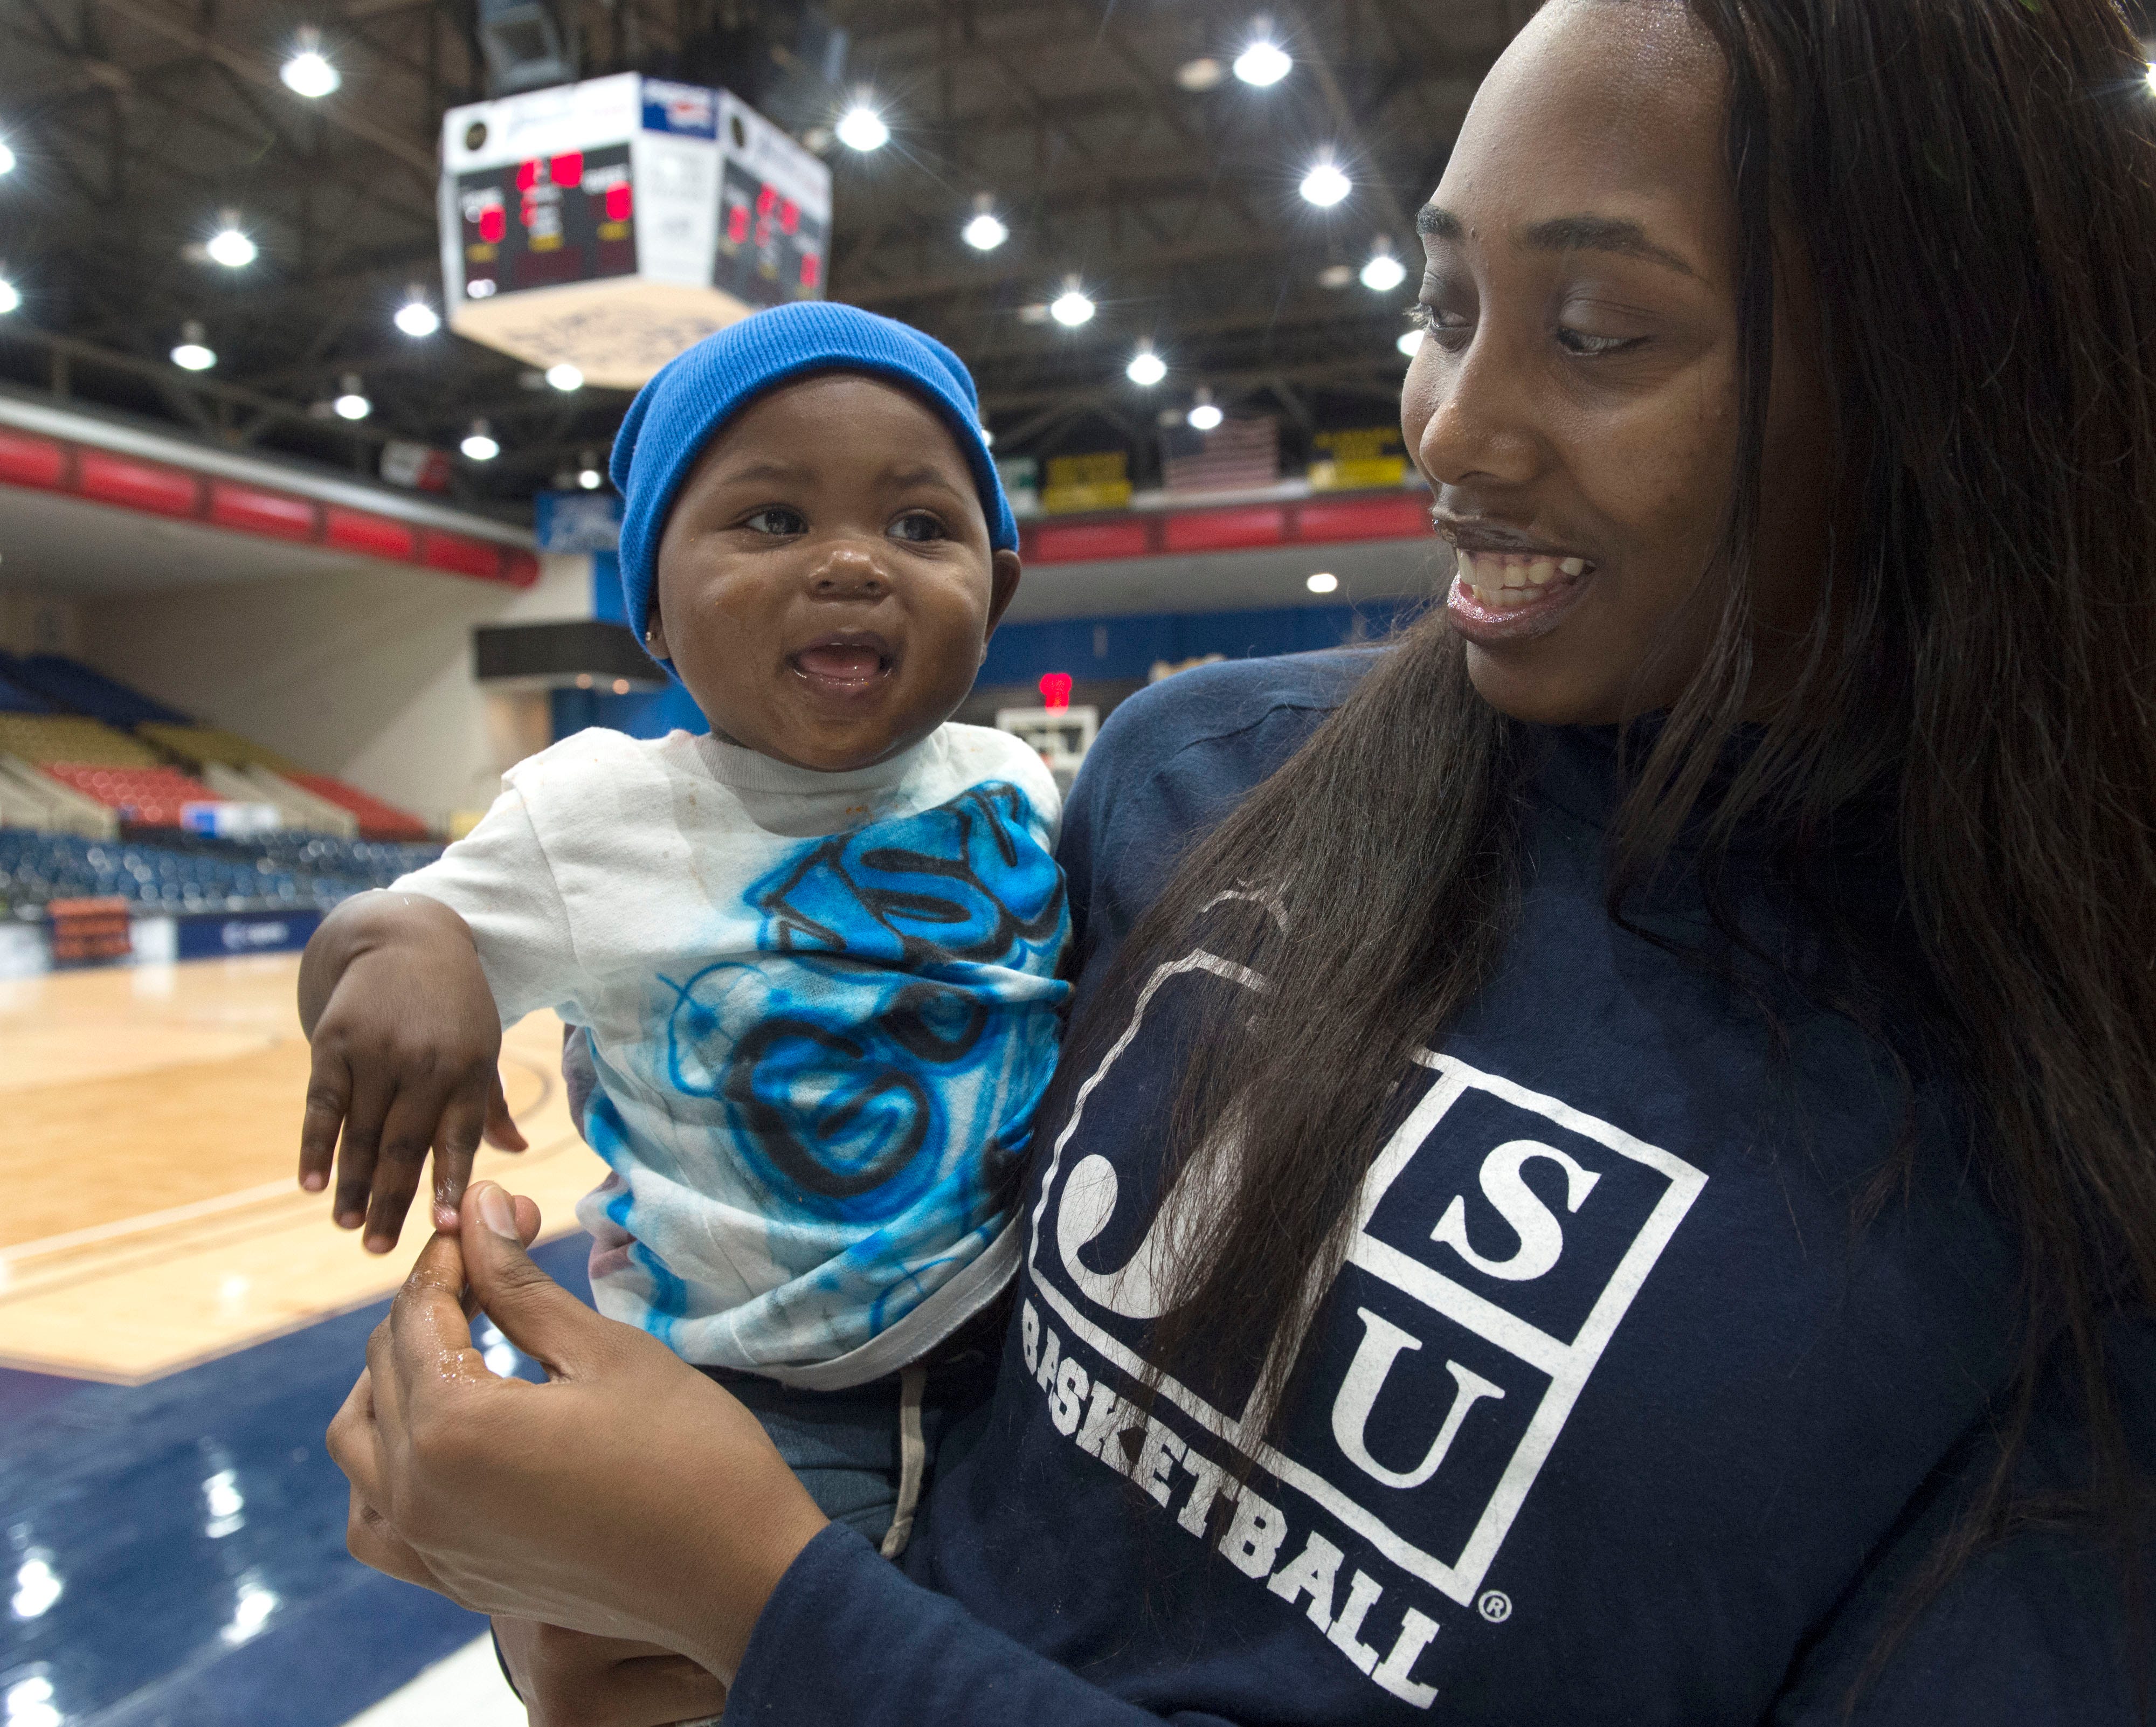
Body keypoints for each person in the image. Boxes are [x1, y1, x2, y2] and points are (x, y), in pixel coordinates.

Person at [327, 0, 2156, 1721]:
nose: (1451, 427)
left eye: (1600, 330)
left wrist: (753, 1597)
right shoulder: (1188, 780)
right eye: (1441, 307)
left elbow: (783, 1607)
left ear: (1949, 380)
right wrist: (594, 1560)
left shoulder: (2071, 1196)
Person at [298, 302, 1069, 1552]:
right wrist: (401, 948)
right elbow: (381, 936)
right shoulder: (591, 812)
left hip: (1036, 1364)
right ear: (651, 604)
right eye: (773, 520)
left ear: (997, 595)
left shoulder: (1015, 781)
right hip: (748, 1403)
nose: (852, 564)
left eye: (920, 527)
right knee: (772, 1645)